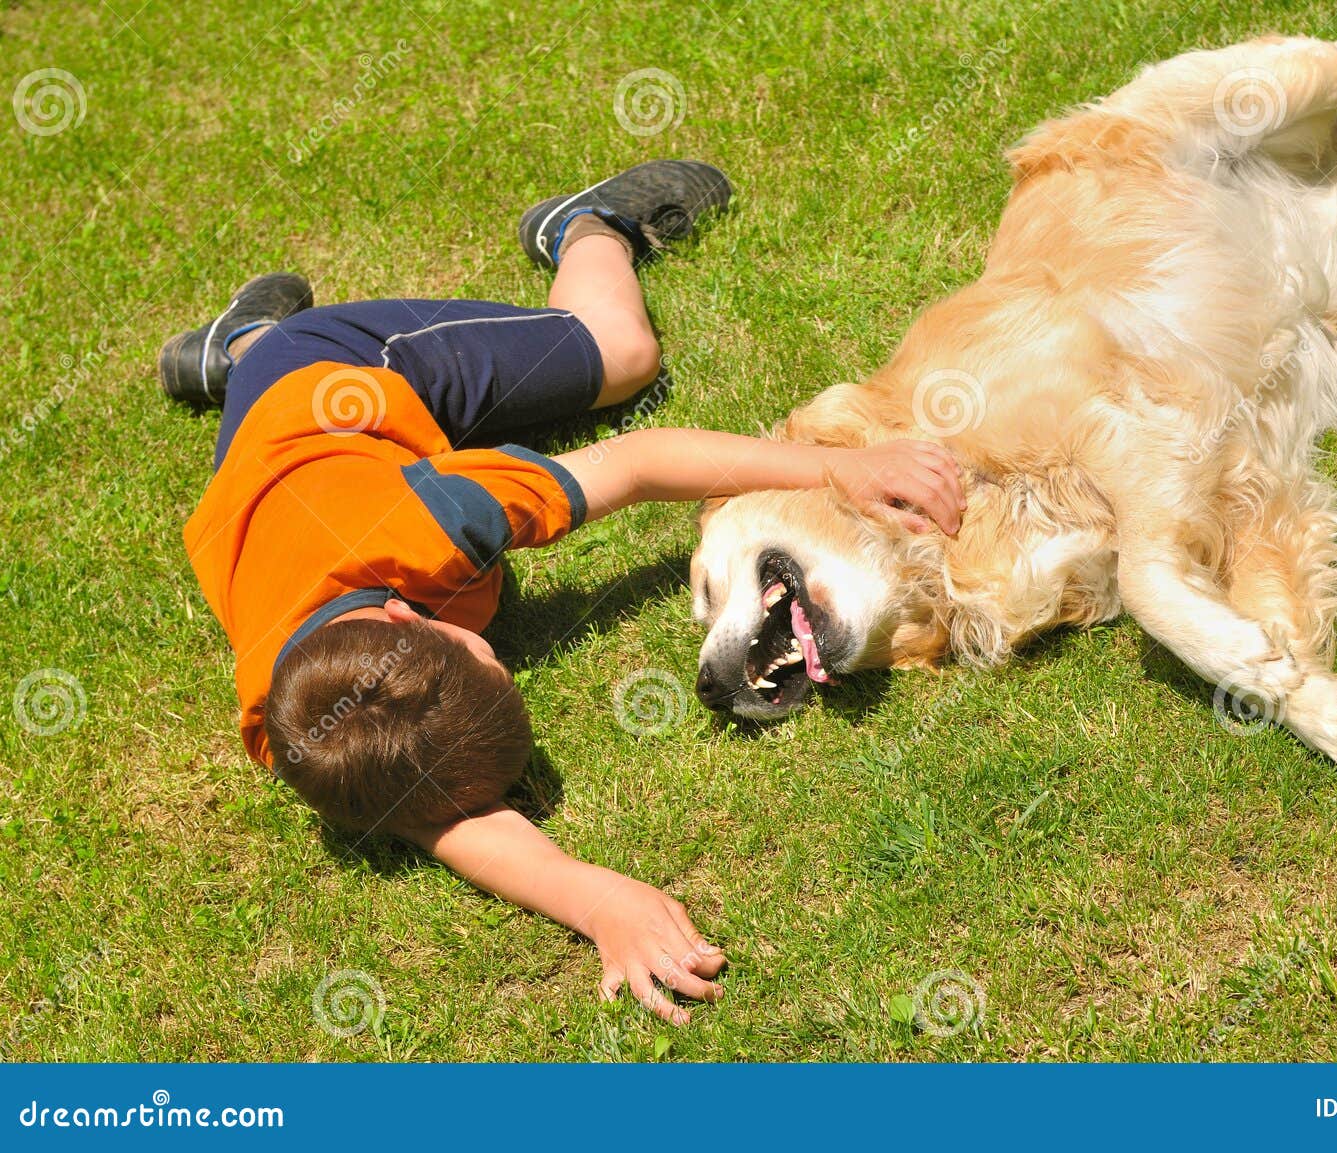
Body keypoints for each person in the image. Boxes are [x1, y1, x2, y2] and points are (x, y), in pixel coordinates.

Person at [165, 160, 966, 1024]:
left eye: (485, 659)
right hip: (263, 457)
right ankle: (235, 346)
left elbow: (639, 461)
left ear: (406, 610)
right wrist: (596, 900)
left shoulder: (433, 523)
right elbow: (426, 812)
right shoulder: (297, 721)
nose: (504, 663)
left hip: (334, 372)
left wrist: (841, 466)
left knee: (620, 353)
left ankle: (581, 226)